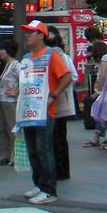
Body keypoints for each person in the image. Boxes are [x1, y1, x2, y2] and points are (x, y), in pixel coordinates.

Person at [16, 20, 73, 205]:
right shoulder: (26, 58)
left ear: (41, 35)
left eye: (30, 32)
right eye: (26, 32)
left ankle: (49, 189)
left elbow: (66, 76)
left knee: (44, 149)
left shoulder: (51, 55)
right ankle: (39, 184)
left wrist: (54, 95)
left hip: (45, 111)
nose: (27, 35)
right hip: (28, 110)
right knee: (33, 149)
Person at [44, 26, 76, 180]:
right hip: (60, 103)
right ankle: (62, 169)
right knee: (60, 137)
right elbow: (74, 76)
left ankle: (60, 170)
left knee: (56, 138)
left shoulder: (58, 56)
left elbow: (71, 76)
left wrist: (58, 89)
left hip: (57, 103)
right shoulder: (63, 56)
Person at [0, 41, 21, 165]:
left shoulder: (16, 65)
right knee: (3, 129)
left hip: (10, 101)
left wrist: (16, 91)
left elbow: (25, 80)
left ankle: (16, 156)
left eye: (2, 49)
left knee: (12, 128)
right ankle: (5, 155)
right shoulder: (7, 65)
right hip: (2, 100)